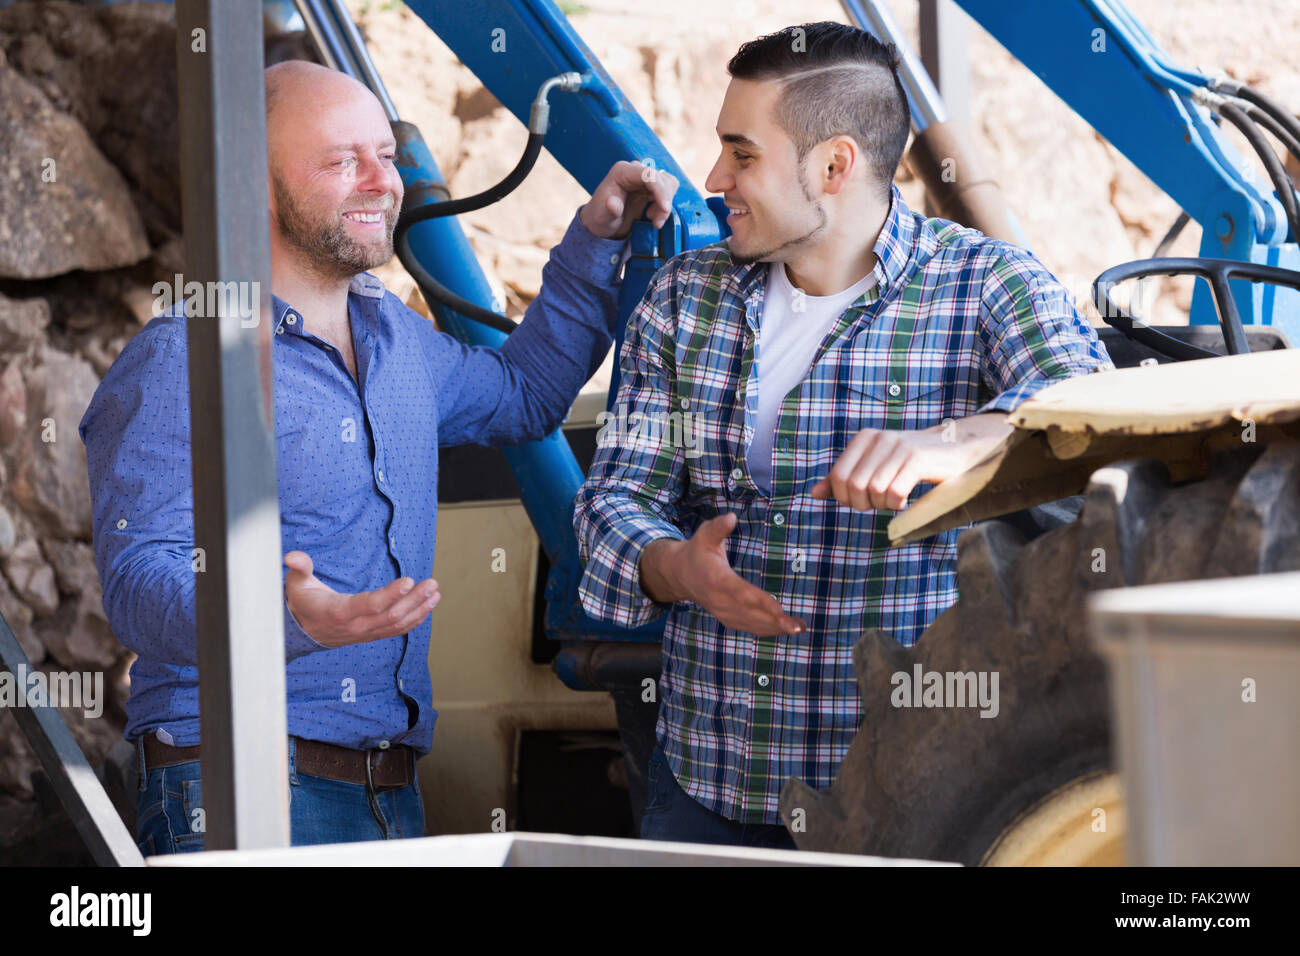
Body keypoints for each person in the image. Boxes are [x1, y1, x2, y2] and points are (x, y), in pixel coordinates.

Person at [79, 60, 678, 854]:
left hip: (387, 786)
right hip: (231, 782)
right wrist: (281, 615)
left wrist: (596, 241)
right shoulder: (181, 361)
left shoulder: (395, 338)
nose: (380, 181)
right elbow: (138, 584)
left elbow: (525, 393)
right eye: (340, 161)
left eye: (386, 156)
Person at [572, 22, 1112, 849]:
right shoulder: (683, 299)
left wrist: (955, 441)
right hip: (705, 792)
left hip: (908, 804)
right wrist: (674, 566)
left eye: (741, 154)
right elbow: (614, 499)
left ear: (834, 165)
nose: (714, 180)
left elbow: (1096, 411)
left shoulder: (985, 282)